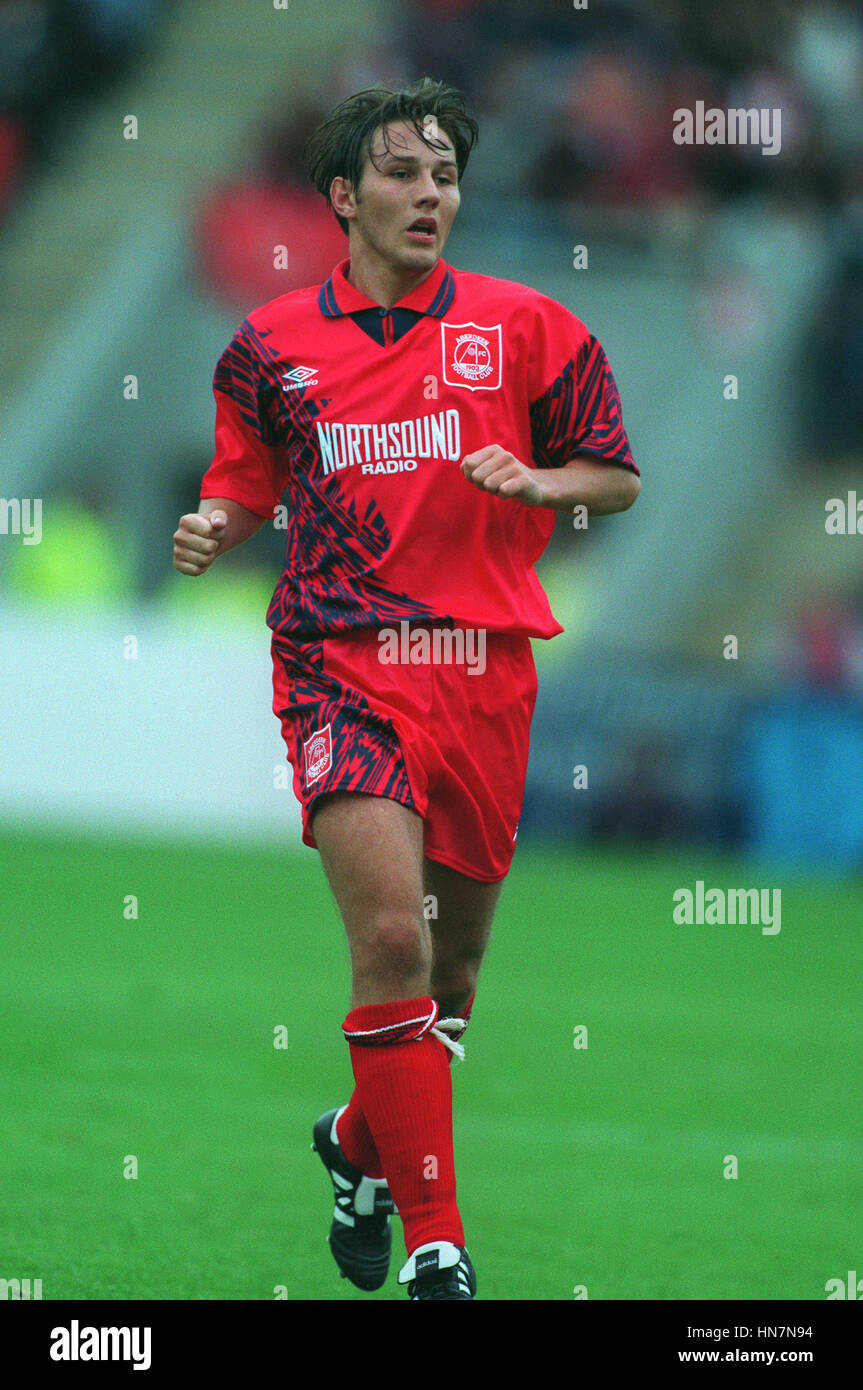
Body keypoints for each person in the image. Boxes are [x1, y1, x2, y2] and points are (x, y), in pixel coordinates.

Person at [173, 77, 640, 1300]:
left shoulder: (529, 325)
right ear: (342, 196)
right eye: (401, 173)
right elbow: (249, 479)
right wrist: (219, 523)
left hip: (483, 674)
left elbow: (615, 476)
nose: (429, 193)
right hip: (338, 659)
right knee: (389, 937)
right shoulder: (268, 346)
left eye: (443, 175)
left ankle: (352, 1141)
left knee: (451, 984)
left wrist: (548, 486)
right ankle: (439, 1238)